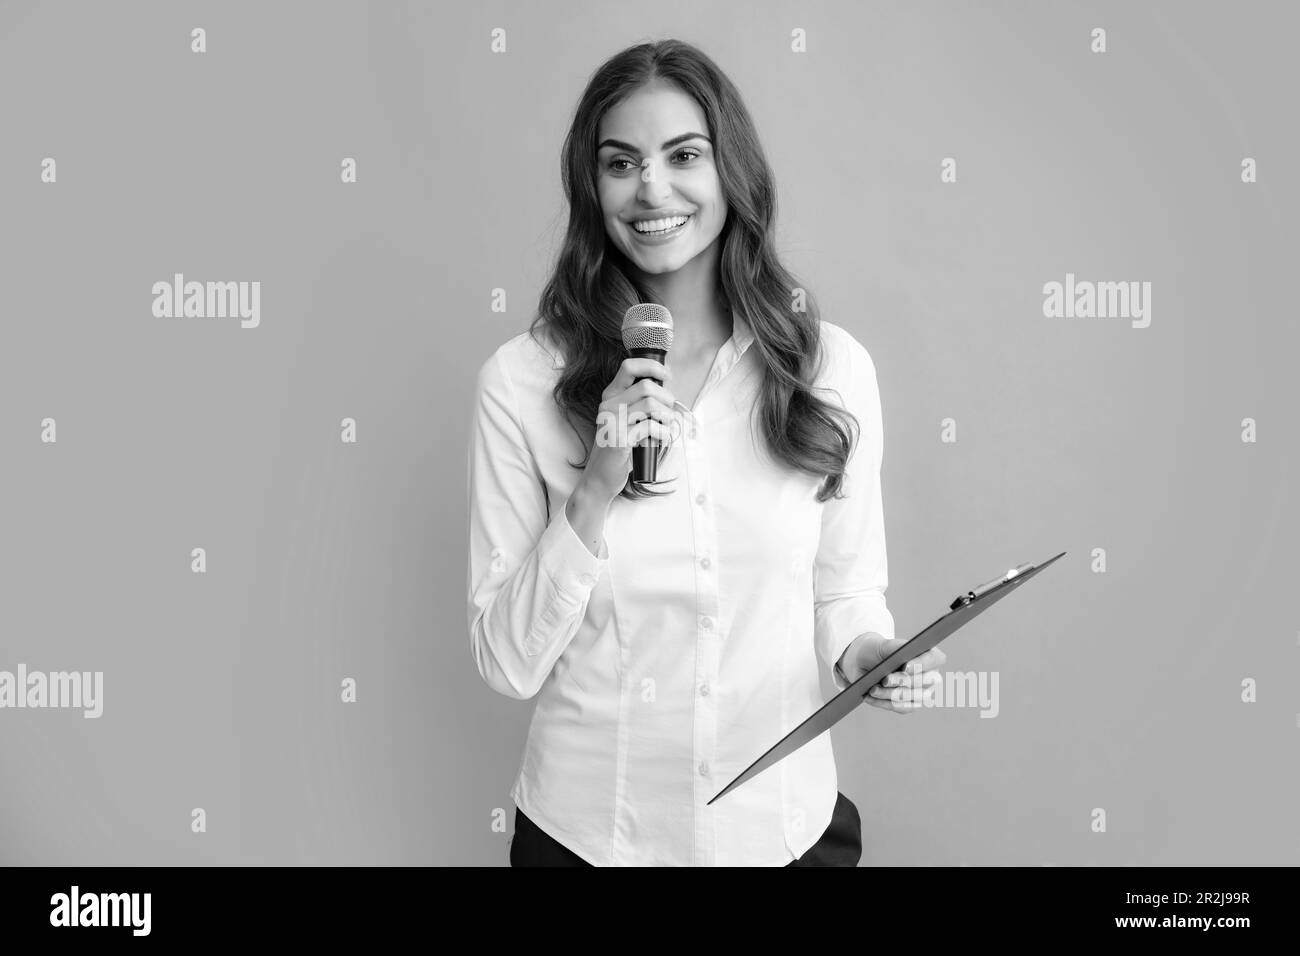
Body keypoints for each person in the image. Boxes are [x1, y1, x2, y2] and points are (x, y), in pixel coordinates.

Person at [467, 39, 945, 867]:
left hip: (784, 831)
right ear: (593, 189)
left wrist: (868, 654)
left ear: (732, 171)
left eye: (683, 155)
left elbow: (846, 587)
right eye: (621, 163)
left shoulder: (829, 371)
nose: (652, 187)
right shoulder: (520, 383)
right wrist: (596, 490)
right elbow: (506, 663)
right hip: (592, 839)